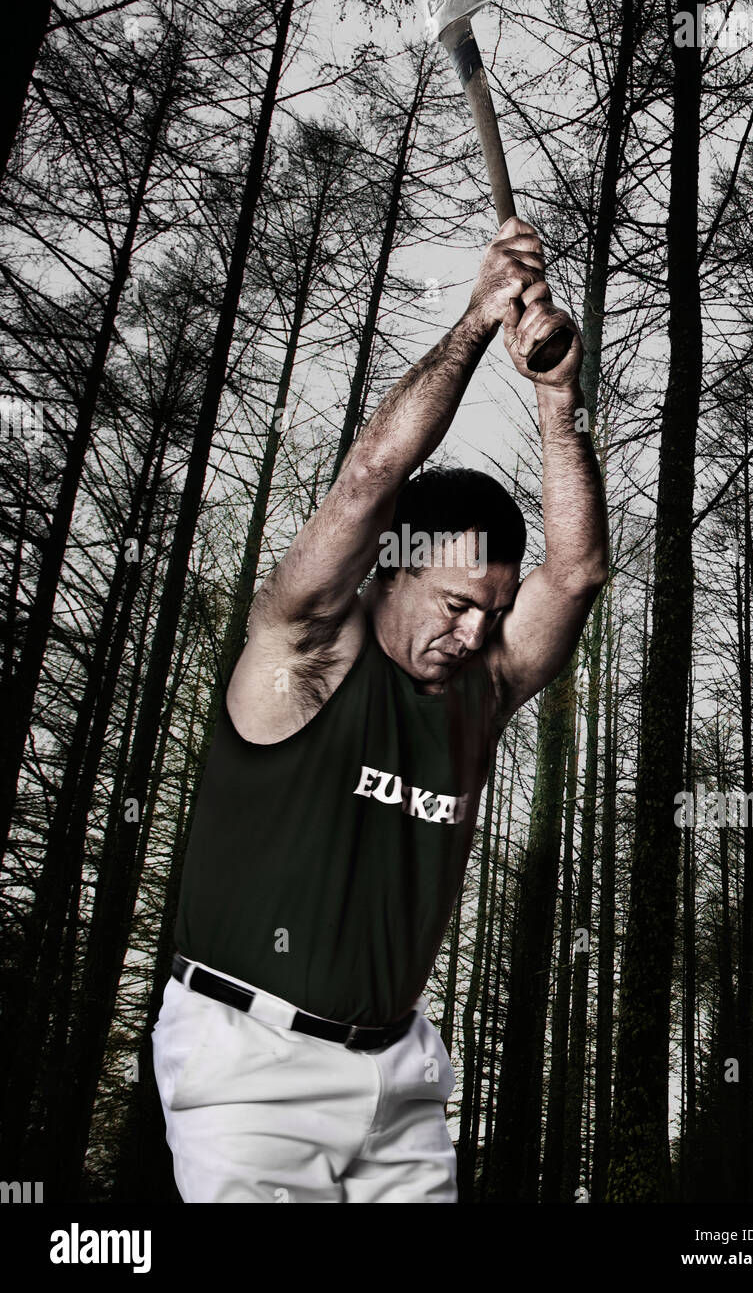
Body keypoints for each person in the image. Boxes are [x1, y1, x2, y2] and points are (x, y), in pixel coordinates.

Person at [151, 216, 608, 1203]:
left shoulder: (475, 693)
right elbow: (368, 475)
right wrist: (481, 318)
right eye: (455, 607)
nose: (476, 637)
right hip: (249, 1070)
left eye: (491, 615)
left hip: (397, 1078)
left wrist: (557, 400)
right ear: (393, 570)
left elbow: (572, 572)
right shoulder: (306, 649)